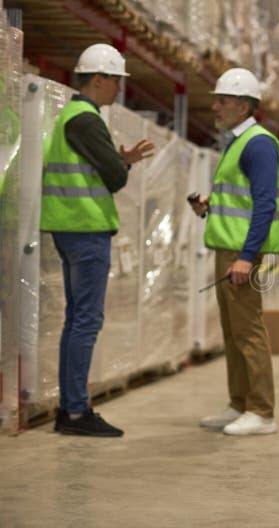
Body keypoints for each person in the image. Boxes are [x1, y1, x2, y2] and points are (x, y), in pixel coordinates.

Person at [44, 43, 155, 437]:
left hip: (70, 228)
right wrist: (119, 164)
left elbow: (103, 167)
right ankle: (75, 412)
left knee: (77, 320)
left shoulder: (72, 117)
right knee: (86, 321)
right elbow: (114, 178)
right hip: (86, 229)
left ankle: (70, 409)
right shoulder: (86, 120)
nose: (119, 90)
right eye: (116, 81)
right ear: (98, 79)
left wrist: (118, 158)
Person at [188, 68, 279, 436]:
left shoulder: (258, 143)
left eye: (222, 101)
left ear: (243, 106)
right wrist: (210, 204)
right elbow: (239, 199)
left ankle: (262, 411)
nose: (215, 106)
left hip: (241, 252)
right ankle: (239, 403)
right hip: (227, 248)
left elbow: (264, 204)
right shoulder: (238, 142)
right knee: (232, 330)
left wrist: (246, 256)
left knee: (248, 330)